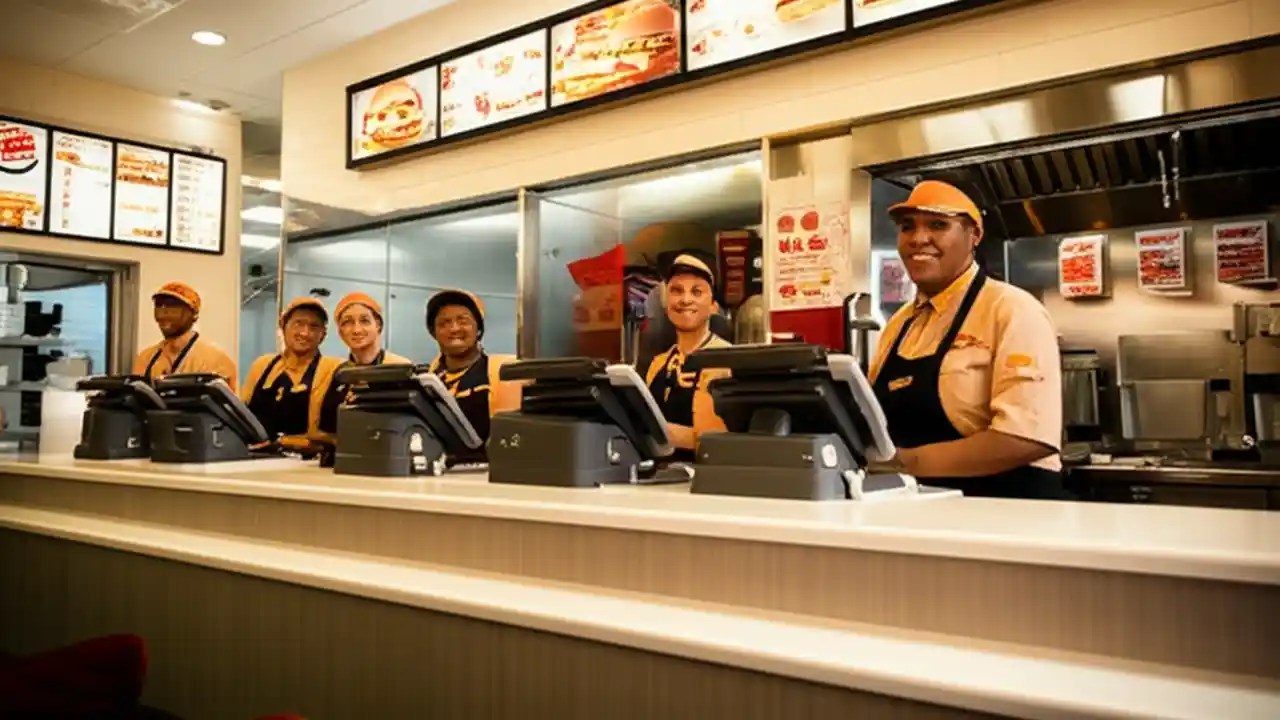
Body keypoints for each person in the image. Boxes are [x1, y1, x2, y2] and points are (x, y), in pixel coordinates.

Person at [869, 180, 1066, 499]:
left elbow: (1025, 438)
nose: (919, 238)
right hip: (923, 517)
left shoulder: (1011, 309)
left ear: (974, 235)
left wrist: (900, 463)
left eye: (938, 224)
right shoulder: (898, 324)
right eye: (907, 227)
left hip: (1009, 513)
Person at [643, 254, 731, 461]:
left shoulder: (727, 361)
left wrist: (666, 434)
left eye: (697, 292)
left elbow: (725, 442)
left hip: (709, 480)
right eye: (676, 290)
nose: (685, 299)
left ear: (713, 306)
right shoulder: (658, 364)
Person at [425, 289, 521, 460]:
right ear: (434, 333)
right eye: (444, 323)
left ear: (478, 329)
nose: (453, 328)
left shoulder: (500, 372)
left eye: (463, 321)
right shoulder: (426, 381)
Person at [240, 297, 343, 447]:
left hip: (305, 465)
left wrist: (283, 442)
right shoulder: (262, 365)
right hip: (256, 459)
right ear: (283, 326)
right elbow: (242, 416)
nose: (305, 333)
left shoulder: (331, 368)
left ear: (323, 335)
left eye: (314, 327)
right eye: (298, 324)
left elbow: (330, 436)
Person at [316, 292, 412, 439]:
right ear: (340, 332)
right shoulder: (339, 374)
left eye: (365, 321)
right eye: (347, 322)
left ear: (378, 325)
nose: (356, 330)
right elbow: (327, 429)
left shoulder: (400, 369)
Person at [132, 282, 237, 389]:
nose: (163, 314)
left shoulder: (216, 360)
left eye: (173, 307)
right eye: (159, 306)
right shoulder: (146, 358)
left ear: (194, 315)